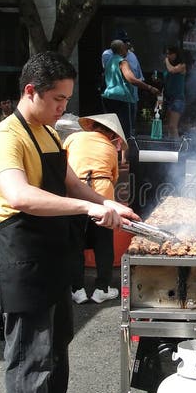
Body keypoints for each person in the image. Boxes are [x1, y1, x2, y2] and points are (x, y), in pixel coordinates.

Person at [0, 51, 140, 393]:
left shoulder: (50, 133)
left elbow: (71, 182)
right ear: (30, 91)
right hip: (21, 256)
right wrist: (85, 211)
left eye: (67, 100)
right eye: (57, 100)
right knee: (28, 351)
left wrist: (108, 203)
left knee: (57, 339)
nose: (63, 108)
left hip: (51, 254)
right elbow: (19, 196)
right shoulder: (5, 138)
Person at [65, 113, 127, 305]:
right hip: (102, 192)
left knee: (74, 242)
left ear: (91, 125)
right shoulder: (109, 147)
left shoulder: (73, 138)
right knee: (103, 243)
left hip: (75, 190)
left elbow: (62, 163)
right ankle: (102, 288)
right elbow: (114, 176)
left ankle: (77, 289)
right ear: (112, 135)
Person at [102, 40, 158, 153]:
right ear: (121, 49)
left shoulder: (109, 61)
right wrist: (149, 88)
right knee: (125, 131)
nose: (126, 49)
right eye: (124, 47)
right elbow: (131, 79)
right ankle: (124, 160)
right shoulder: (122, 62)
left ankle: (112, 156)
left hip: (108, 97)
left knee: (113, 129)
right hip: (122, 98)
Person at [163, 45, 187, 138]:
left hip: (177, 99)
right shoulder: (168, 66)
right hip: (169, 98)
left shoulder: (182, 65)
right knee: (169, 127)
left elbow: (172, 70)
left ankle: (176, 148)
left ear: (176, 54)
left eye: (169, 54)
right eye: (167, 54)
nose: (167, 56)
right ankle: (170, 146)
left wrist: (166, 61)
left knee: (173, 126)